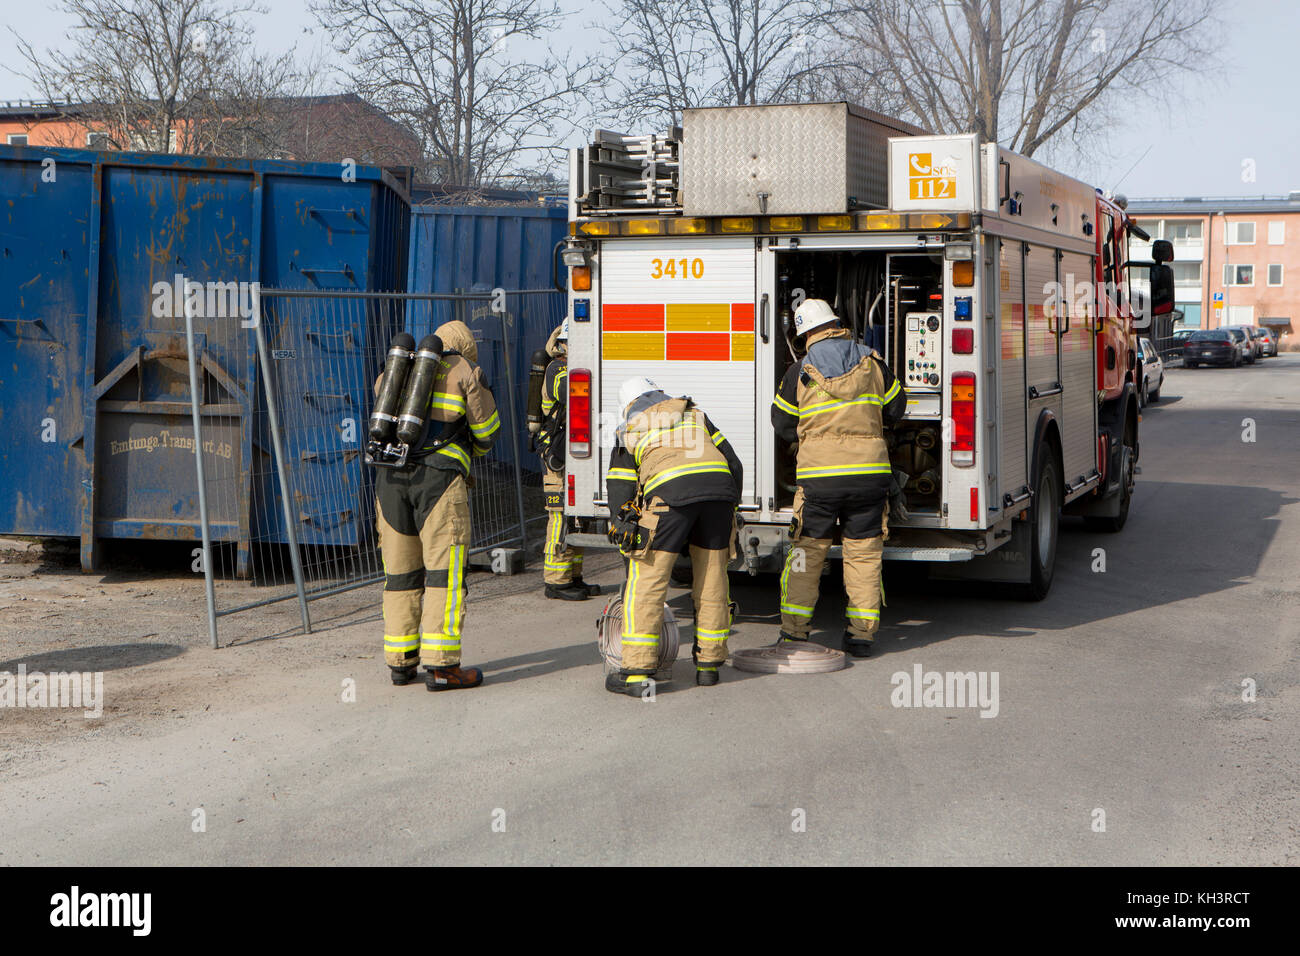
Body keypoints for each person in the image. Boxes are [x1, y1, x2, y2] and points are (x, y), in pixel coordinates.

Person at [770, 299, 905, 658]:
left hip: (819, 481)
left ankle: (795, 634)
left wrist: (809, 436)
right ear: (835, 324)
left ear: (805, 334)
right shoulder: (873, 362)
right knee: (863, 557)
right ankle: (861, 636)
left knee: (806, 554)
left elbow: (782, 424)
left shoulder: (799, 371)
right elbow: (896, 409)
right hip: (869, 477)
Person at [375, 319, 500, 690]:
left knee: (400, 573)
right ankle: (443, 667)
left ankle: (401, 661)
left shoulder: (400, 367)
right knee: (445, 574)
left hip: (388, 480)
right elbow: (488, 431)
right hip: (439, 481)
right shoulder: (464, 367)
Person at [605, 377, 742, 695]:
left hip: (667, 496)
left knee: (648, 580)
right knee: (712, 579)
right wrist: (729, 505)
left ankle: (637, 673)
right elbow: (732, 462)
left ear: (629, 406)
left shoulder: (630, 427)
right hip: (718, 494)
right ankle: (708, 666)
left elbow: (620, 482)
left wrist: (621, 522)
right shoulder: (695, 414)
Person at [537, 320, 598, 601]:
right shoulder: (556, 369)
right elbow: (569, 393)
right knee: (560, 517)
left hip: (574, 456)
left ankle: (574, 576)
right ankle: (556, 581)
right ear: (564, 344)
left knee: (579, 518)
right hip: (557, 460)